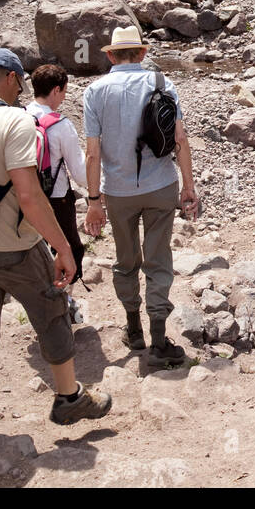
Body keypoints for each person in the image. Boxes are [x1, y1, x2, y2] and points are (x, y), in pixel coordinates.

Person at [0, 49, 111, 428]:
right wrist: (63, 247)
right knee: (51, 311)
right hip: (11, 246)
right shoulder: (13, 121)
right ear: (13, 79)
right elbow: (30, 196)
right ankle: (69, 398)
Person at [82, 27, 199, 367]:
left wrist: (93, 201)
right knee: (158, 258)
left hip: (117, 190)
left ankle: (133, 329)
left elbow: (92, 152)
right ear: (143, 53)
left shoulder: (95, 91)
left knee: (125, 258)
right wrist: (187, 186)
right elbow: (180, 139)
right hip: (161, 184)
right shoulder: (163, 84)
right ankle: (160, 339)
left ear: (110, 55)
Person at [26, 64, 89, 323]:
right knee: (69, 250)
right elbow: (79, 172)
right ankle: (64, 304)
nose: (64, 97)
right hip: (58, 199)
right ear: (55, 90)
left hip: (24, 197)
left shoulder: (17, 116)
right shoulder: (61, 125)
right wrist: (97, 193)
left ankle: (38, 300)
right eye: (63, 91)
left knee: (34, 251)